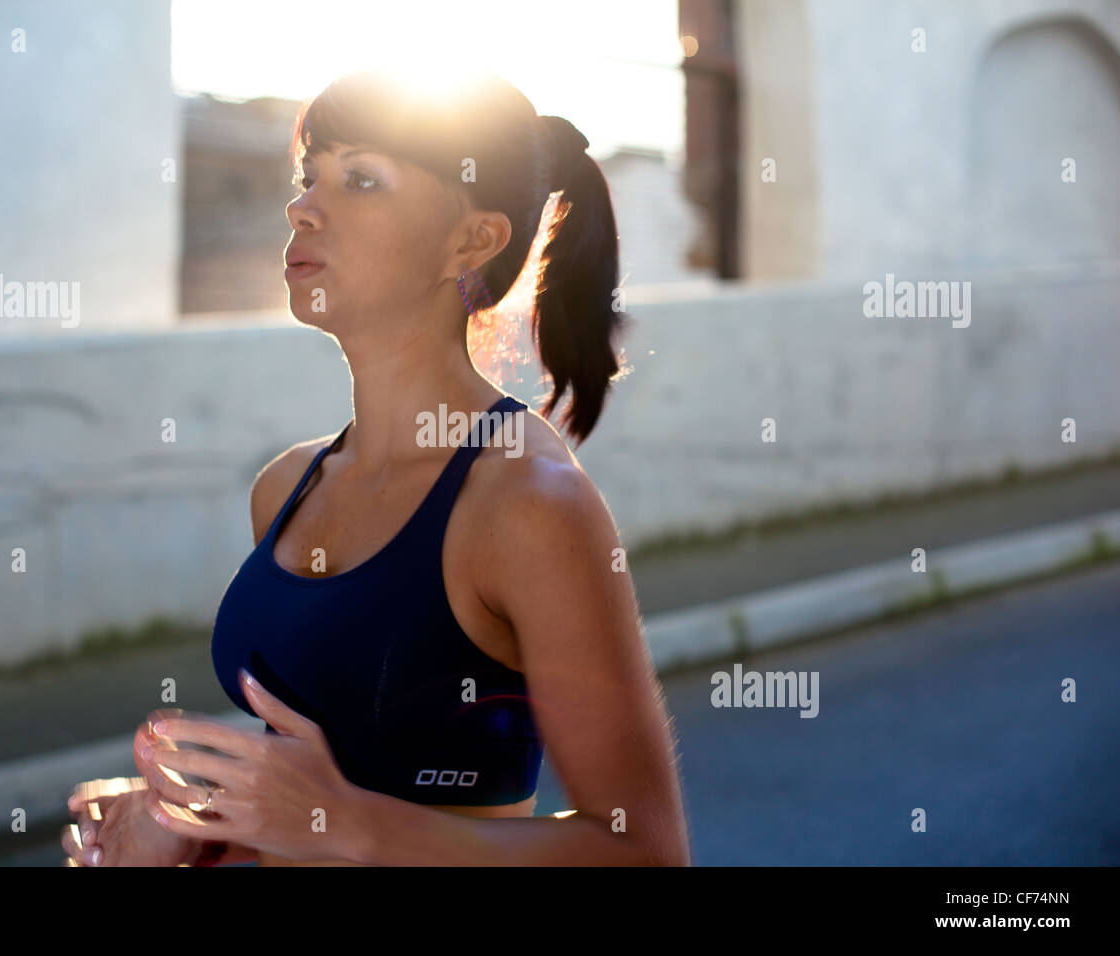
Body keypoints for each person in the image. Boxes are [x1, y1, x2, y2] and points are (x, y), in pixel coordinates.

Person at [65, 69, 691, 866]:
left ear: (473, 240)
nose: (302, 206)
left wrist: (348, 823)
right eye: (308, 175)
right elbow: (312, 801)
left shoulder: (527, 504)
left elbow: (646, 852)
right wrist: (201, 831)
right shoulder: (286, 488)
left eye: (361, 178)